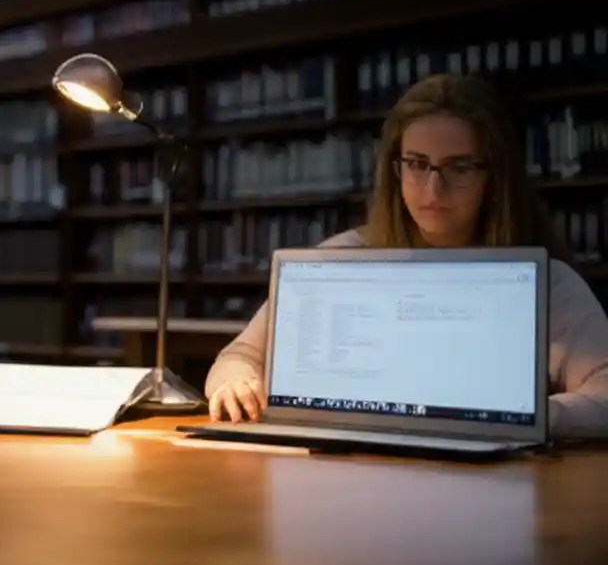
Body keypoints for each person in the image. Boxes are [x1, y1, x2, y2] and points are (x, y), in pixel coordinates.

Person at [204, 74, 608, 440]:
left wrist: (526, 418)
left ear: (494, 176)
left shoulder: (549, 284)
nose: (433, 190)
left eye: (459, 167)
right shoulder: (338, 262)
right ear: (394, 168)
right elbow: (240, 356)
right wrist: (237, 381)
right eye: (417, 164)